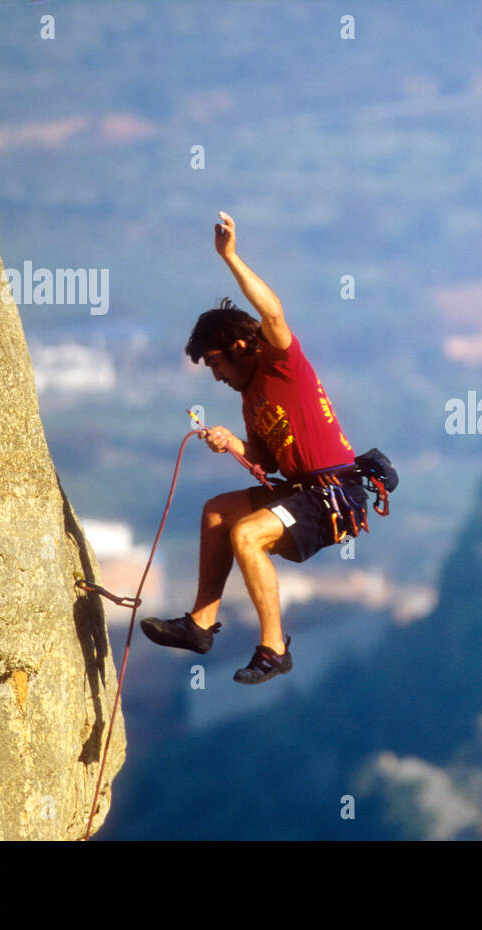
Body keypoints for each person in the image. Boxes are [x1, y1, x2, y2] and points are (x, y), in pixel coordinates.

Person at [140, 211, 365, 684]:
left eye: (217, 362)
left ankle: (274, 649)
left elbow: (274, 313)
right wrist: (232, 442)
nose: (216, 375)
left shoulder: (281, 365)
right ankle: (200, 625)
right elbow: (265, 459)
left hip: (331, 495)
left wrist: (230, 257)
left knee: (246, 535)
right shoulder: (249, 397)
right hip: (300, 489)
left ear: (241, 346)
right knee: (217, 512)